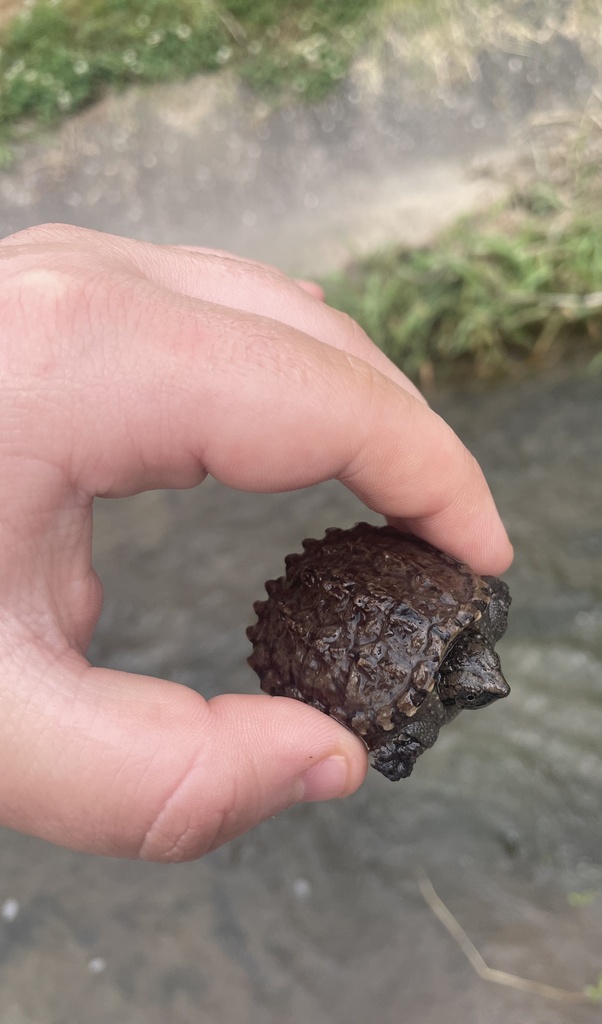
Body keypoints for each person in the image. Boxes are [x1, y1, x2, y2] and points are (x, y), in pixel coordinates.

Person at [0, 222, 513, 862]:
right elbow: (393, 750)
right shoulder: (427, 695)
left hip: (349, 589)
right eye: (476, 678)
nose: (494, 684)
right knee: (389, 746)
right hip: (316, 615)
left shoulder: (477, 610)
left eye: (479, 676)